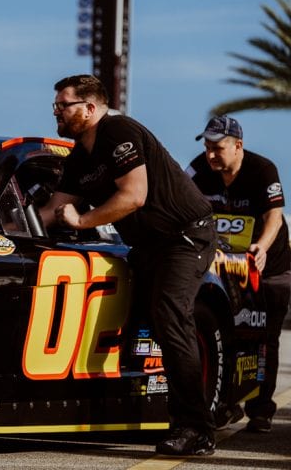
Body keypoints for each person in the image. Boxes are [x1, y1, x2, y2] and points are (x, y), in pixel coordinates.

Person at [38, 74, 218, 456]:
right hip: (148, 244)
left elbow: (134, 196)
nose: (56, 111)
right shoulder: (79, 157)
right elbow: (52, 211)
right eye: (55, 105)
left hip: (185, 236)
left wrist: (83, 221)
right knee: (144, 320)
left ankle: (196, 428)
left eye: (63, 105)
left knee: (170, 317)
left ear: (89, 108)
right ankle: (140, 408)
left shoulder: (117, 130)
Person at [187, 115, 291, 433]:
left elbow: (274, 216)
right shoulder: (197, 170)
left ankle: (261, 409)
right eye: (207, 148)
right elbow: (179, 203)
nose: (210, 155)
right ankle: (225, 403)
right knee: (226, 335)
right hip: (223, 269)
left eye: (217, 148)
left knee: (264, 339)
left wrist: (260, 247)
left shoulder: (263, 170)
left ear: (238, 146)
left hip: (268, 267)